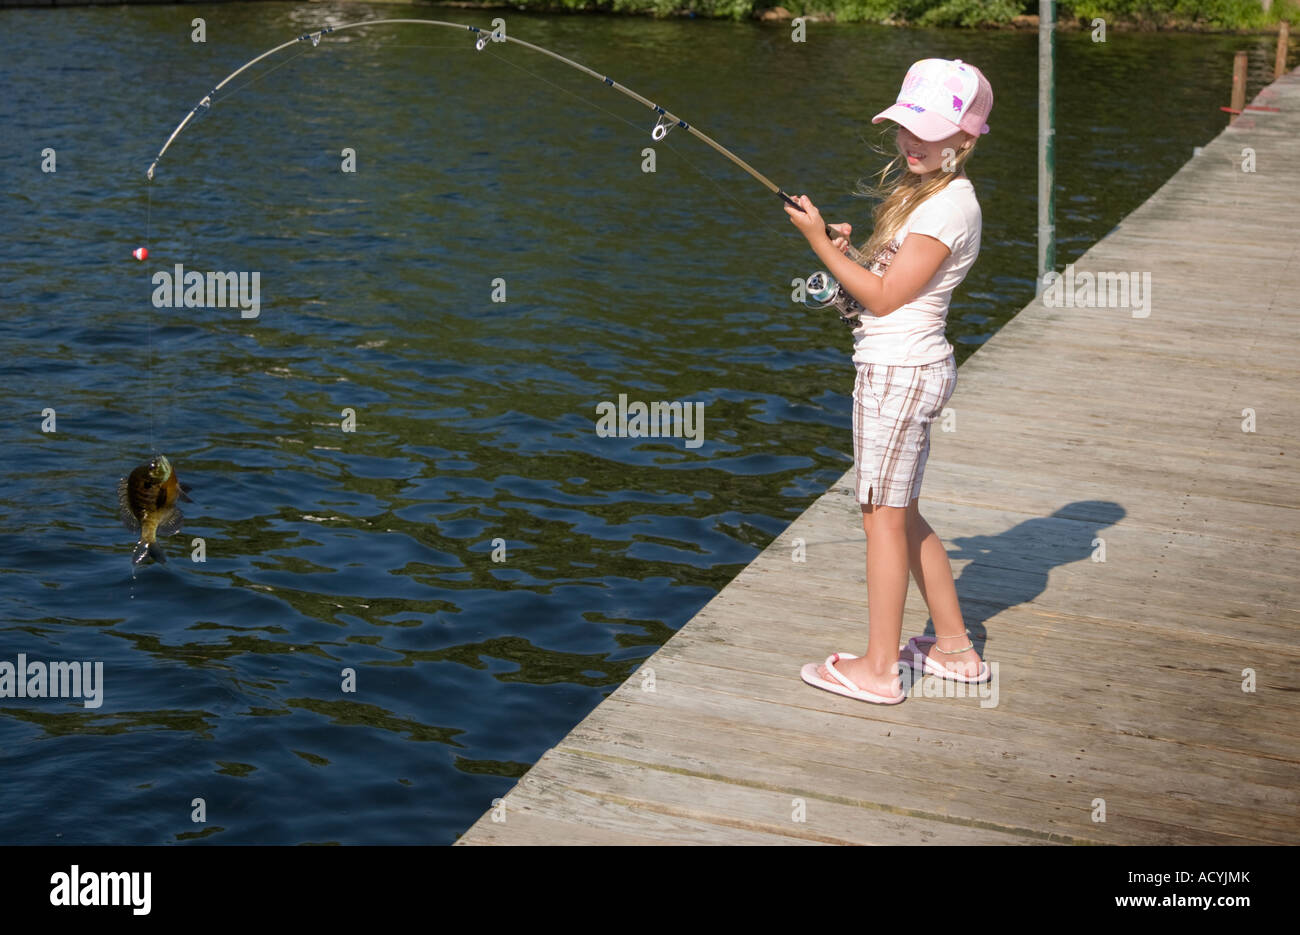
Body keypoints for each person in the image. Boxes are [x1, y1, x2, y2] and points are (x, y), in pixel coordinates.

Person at [789, 58, 994, 704]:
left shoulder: (949, 208)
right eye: (906, 125)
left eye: (928, 131)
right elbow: (879, 292)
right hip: (899, 368)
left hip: (899, 376)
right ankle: (954, 647)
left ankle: (879, 669)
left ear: (965, 138)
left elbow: (881, 300)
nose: (912, 142)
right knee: (899, 514)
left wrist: (820, 245)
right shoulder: (926, 195)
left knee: (879, 516)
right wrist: (843, 256)